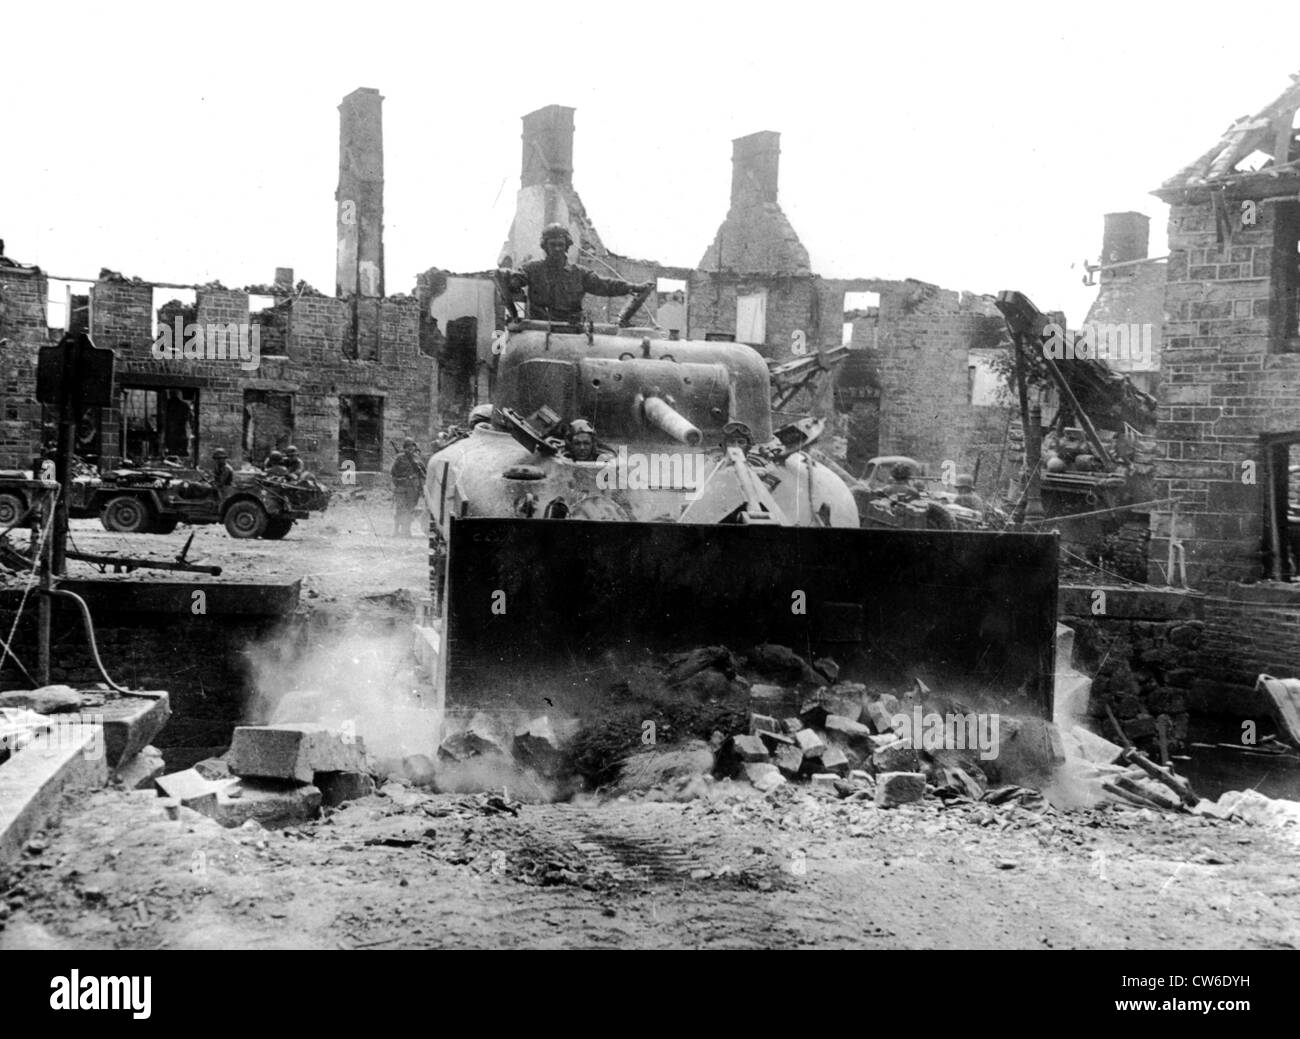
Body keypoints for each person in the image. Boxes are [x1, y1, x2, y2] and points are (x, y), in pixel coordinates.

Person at [501, 224, 654, 324]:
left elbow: (605, 285)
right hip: (539, 331)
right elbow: (516, 280)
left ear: (567, 246)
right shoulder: (532, 269)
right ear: (545, 246)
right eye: (552, 245)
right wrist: (510, 279)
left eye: (560, 245)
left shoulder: (580, 274)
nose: (557, 249)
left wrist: (633, 287)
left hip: (573, 333)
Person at [391, 437, 426, 536]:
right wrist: (396, 483)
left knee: (410, 508)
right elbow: (393, 472)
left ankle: (406, 530)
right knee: (400, 508)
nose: (410, 449)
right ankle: (396, 529)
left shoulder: (417, 459)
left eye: (412, 447)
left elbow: (423, 473)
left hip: (413, 488)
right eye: (408, 447)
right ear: (405, 447)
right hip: (401, 487)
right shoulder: (399, 458)